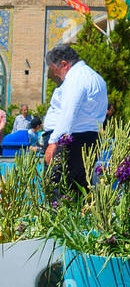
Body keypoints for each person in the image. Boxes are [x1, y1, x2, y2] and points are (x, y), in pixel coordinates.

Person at [42, 45, 108, 190]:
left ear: (64, 64)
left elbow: (68, 112)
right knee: (79, 186)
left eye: (54, 68)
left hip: (68, 141)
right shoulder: (95, 78)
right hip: (88, 137)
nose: (54, 73)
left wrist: (53, 142)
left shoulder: (75, 79)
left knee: (57, 186)